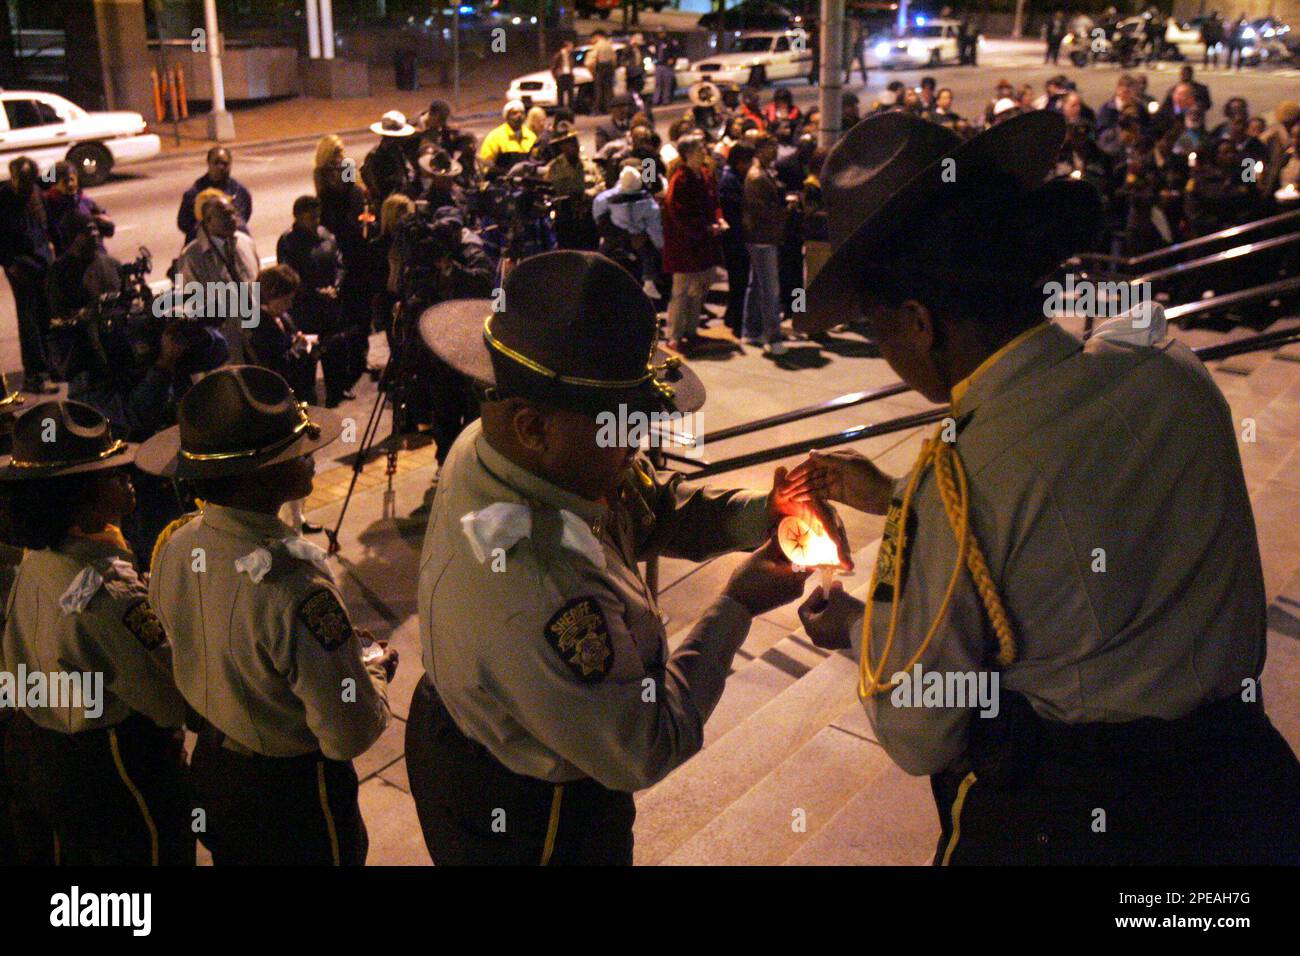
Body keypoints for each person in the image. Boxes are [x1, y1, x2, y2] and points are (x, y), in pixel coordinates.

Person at [794, 109, 1300, 865]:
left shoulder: (959, 480)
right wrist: (899, 499)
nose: (886, 352)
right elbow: (1067, 508)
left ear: (917, 320)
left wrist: (863, 626)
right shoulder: (1164, 361)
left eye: (877, 328)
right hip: (1251, 790)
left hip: (1084, 819)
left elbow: (916, 728)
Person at [407, 249, 843, 865]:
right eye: (621, 428)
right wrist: (737, 604)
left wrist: (762, 511)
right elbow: (645, 744)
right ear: (533, 426)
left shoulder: (506, 443)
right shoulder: (539, 585)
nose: (635, 445)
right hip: (537, 815)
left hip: (502, 727)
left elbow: (646, 509)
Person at [137, 365, 398, 865]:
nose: (312, 453)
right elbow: (350, 732)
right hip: (291, 800)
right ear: (259, 474)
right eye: (292, 449)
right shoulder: (297, 588)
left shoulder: (177, 543)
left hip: (213, 769)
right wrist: (373, 673)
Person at [0, 400, 191, 865]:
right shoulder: (109, 593)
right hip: (121, 768)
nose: (130, 477)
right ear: (76, 495)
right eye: (112, 472)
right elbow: (168, 700)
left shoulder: (40, 558)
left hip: (50, 754)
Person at [277, 195, 349, 408]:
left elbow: (339, 263)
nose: (315, 221)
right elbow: (289, 276)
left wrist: (335, 286)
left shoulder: (326, 235)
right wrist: (316, 292)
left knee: (334, 349)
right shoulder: (288, 242)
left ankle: (337, 390)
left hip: (330, 305)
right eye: (310, 217)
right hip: (306, 308)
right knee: (307, 359)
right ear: (298, 217)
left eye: (317, 216)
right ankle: (308, 401)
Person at [177, 191, 261, 365]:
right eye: (224, 214)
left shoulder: (246, 243)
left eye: (233, 212)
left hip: (256, 337)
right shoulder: (192, 256)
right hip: (226, 344)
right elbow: (191, 305)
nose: (232, 218)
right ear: (207, 221)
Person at [0, 157, 58, 394]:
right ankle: (35, 375)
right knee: (29, 321)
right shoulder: (4, 199)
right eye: (22, 181)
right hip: (21, 267)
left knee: (46, 316)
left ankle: (51, 364)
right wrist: (10, 264)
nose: (25, 186)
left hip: (42, 262)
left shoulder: (35, 190)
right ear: (13, 177)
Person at [662, 136, 724, 351]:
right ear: (687, 153)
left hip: (703, 243)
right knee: (680, 291)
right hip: (684, 245)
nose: (703, 151)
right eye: (699, 149)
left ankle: (692, 330)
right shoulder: (679, 179)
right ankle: (674, 336)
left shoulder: (706, 174)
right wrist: (705, 228)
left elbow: (714, 201)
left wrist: (719, 218)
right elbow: (678, 215)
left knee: (699, 289)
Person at [742, 133, 788, 355]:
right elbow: (763, 212)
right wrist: (786, 211)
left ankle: (750, 330)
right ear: (760, 150)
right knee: (770, 290)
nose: (776, 153)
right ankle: (773, 336)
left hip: (761, 237)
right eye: (772, 148)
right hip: (762, 237)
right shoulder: (757, 177)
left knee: (756, 285)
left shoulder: (761, 174)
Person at [177, 146, 252, 245]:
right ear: (208, 163)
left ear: (230, 164)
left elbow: (245, 216)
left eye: (224, 163)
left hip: (233, 247)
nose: (220, 167)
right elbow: (183, 223)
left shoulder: (239, 192)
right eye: (216, 163)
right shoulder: (194, 194)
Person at [546, 122, 603, 251]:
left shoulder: (589, 164)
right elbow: (549, 191)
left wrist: (590, 193)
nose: (573, 145)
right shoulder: (555, 168)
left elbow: (601, 185)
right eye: (568, 143)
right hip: (567, 218)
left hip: (587, 217)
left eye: (574, 141)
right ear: (561, 146)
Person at [718, 143, 754, 336]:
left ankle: (733, 316)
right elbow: (735, 210)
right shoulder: (729, 181)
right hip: (734, 239)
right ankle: (737, 319)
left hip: (737, 238)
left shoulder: (735, 178)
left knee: (738, 281)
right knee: (739, 280)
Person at [43, 161, 113, 256]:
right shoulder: (49, 206)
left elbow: (108, 226)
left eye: (72, 179)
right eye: (65, 181)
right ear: (55, 184)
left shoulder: (84, 201)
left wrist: (102, 223)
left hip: (96, 256)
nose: (70, 184)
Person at [361, 110, 419, 205]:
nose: (402, 139)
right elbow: (375, 187)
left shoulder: (399, 151)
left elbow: (407, 173)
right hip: (386, 205)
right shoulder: (375, 157)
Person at [478, 101, 537, 175]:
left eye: (522, 113)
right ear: (507, 117)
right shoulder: (495, 136)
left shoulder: (531, 136)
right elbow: (486, 163)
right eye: (514, 113)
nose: (519, 116)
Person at [590, 30, 617, 115]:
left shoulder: (597, 46)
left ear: (597, 36)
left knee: (598, 91)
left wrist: (592, 72)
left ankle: (597, 110)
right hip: (609, 69)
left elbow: (592, 61)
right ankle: (609, 109)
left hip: (600, 69)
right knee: (609, 90)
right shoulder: (609, 45)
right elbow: (614, 58)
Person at [551, 39, 576, 111]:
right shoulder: (559, 55)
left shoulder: (570, 55)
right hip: (561, 75)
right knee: (560, 93)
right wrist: (555, 76)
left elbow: (571, 64)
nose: (572, 48)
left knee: (570, 92)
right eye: (571, 46)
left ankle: (571, 108)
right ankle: (561, 109)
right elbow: (553, 66)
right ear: (566, 47)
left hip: (569, 75)